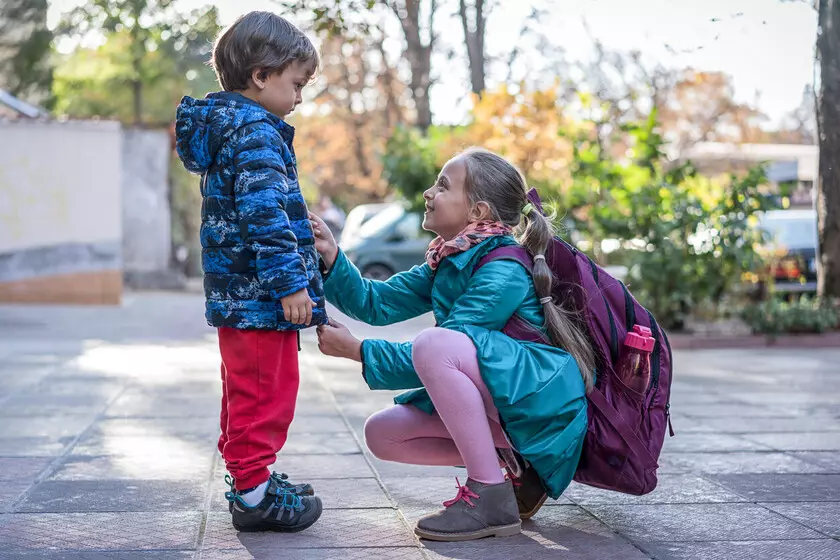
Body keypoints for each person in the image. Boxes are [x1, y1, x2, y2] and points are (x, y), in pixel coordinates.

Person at [311, 147, 595, 542]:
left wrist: (358, 350)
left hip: (538, 406)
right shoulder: (451, 258)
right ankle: (508, 464)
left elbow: (445, 349)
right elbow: (376, 303)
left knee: (436, 344)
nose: (429, 192)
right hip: (503, 402)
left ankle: (487, 496)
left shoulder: (503, 268)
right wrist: (331, 255)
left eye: (443, 186)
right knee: (383, 433)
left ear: (477, 212)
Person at [174, 11, 326, 533]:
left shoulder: (234, 130)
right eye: (296, 83)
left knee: (250, 391)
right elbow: (263, 216)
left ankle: (251, 477)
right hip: (260, 297)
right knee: (265, 394)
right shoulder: (256, 133)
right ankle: (253, 496)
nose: (300, 96)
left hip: (242, 297)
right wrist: (290, 283)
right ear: (261, 76)